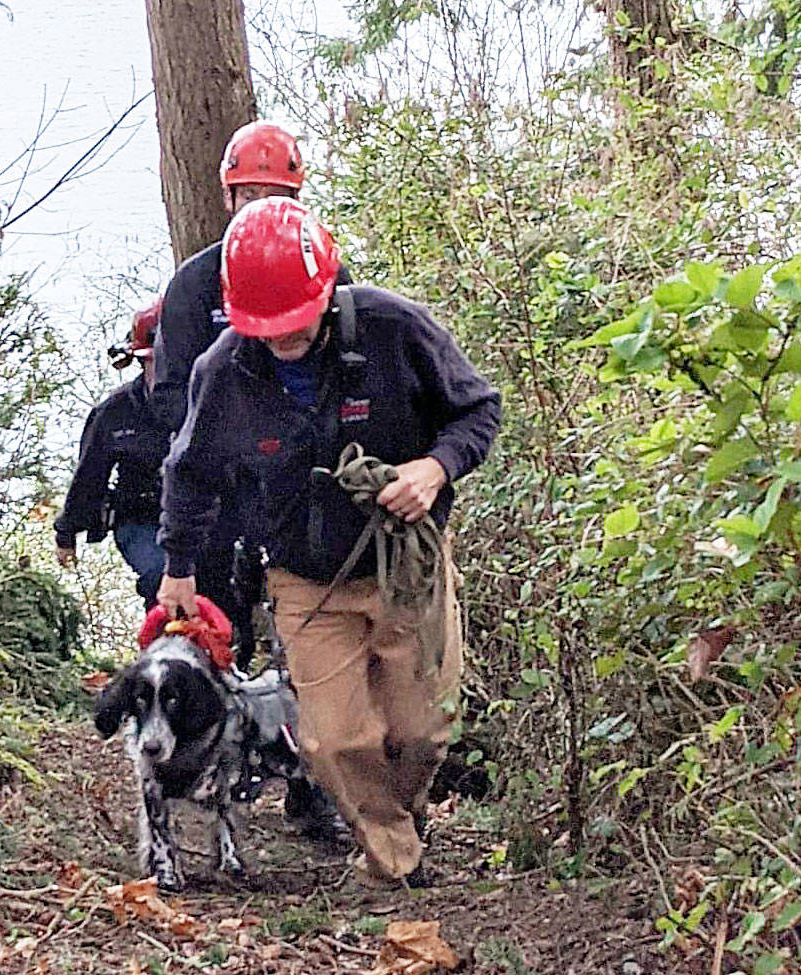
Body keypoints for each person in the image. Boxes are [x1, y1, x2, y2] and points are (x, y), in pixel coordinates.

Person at [156, 198, 502, 888]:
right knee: (333, 739)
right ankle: (392, 863)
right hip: (304, 576)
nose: (281, 337)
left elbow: (477, 410)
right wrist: (178, 566)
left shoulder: (392, 327)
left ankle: (396, 816)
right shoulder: (224, 371)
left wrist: (433, 470)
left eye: (293, 322)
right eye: (265, 327)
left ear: (326, 293)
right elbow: (189, 472)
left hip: (407, 564)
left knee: (422, 731)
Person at [150, 121, 352, 667]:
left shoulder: (325, 270)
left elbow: (349, 368)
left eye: (275, 195)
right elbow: (170, 392)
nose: (260, 205)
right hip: (222, 473)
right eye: (250, 194)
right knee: (214, 594)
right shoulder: (195, 285)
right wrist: (223, 444)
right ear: (229, 196)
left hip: (301, 472)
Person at [53, 300, 170, 607]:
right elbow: (89, 476)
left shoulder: (213, 400)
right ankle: (161, 648)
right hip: (143, 522)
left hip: (206, 517)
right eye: (157, 362)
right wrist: (67, 531)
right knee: (161, 578)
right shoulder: (114, 413)